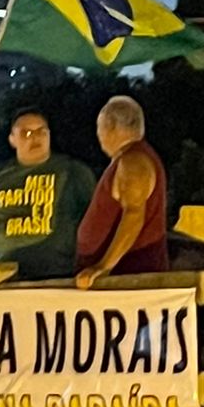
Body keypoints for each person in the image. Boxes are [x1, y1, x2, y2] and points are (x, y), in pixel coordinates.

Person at [0, 108, 96, 280]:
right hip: (8, 274)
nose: (35, 137)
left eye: (41, 131)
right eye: (26, 133)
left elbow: (95, 221)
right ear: (12, 139)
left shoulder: (72, 171)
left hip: (60, 274)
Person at [75, 96, 169, 289]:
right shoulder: (128, 159)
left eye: (99, 127)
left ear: (109, 126)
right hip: (120, 276)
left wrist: (103, 266)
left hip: (128, 275)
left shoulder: (133, 161)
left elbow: (134, 215)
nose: (98, 135)